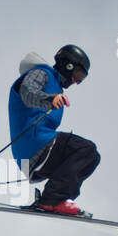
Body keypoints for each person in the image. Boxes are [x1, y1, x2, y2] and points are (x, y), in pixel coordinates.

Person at [8, 44, 100, 216]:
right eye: (78, 75)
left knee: (92, 157)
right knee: (86, 150)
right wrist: (50, 99)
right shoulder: (42, 73)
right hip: (35, 145)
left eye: (81, 79)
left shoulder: (56, 87)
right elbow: (28, 92)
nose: (75, 81)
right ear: (68, 64)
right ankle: (53, 200)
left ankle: (57, 199)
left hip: (35, 160)